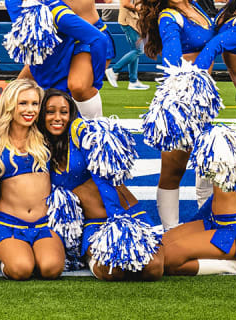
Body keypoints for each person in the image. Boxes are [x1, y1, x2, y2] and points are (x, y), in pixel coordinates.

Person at [40, 90, 164, 281]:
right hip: (94, 224)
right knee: (111, 271)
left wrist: (118, 220)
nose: (58, 117)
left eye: (63, 112)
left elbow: (102, 179)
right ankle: (89, 259)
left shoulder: (81, 132)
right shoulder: (40, 145)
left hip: (125, 214)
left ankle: (224, 264)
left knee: (153, 269)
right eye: (50, 112)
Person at [161, 72, 236, 275]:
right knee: (162, 245)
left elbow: (227, 141)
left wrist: (199, 121)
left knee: (170, 258)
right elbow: (221, 192)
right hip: (216, 221)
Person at [136, 0, 215, 229]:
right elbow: (171, 56)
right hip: (181, 102)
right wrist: (179, 92)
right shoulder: (168, 16)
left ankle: (209, 226)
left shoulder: (194, 5)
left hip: (202, 101)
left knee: (209, 166)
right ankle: (171, 232)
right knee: (173, 170)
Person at [6, 0, 110, 106]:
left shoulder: (57, 13)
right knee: (10, 101)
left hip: (60, 98)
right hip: (41, 88)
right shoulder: (14, 2)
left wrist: (95, 84)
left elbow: (99, 39)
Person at [0, 79, 64, 280]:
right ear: (10, 104)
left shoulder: (46, 136)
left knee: (51, 269)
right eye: (23, 103)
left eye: (35, 104)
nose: (30, 109)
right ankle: (10, 260)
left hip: (45, 224)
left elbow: (68, 114)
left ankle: (33, 253)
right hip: (8, 223)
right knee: (21, 270)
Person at [111, 0, 149, 91]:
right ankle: (114, 70)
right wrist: (139, 9)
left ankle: (133, 81)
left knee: (135, 50)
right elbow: (126, 3)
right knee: (139, 50)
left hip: (130, 20)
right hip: (129, 21)